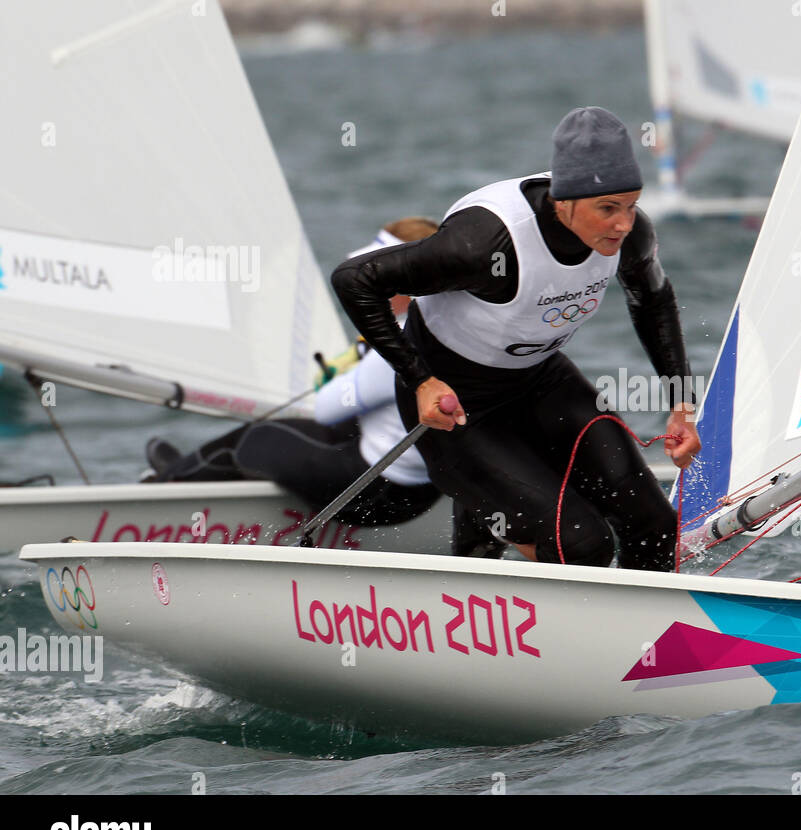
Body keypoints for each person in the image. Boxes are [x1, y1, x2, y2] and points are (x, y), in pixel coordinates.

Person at [330, 106, 701, 571]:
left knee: (654, 524)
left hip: (539, 384)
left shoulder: (631, 233)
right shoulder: (485, 244)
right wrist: (421, 380)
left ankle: (653, 636)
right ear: (563, 202)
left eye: (631, 204)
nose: (624, 224)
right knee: (582, 544)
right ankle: (536, 607)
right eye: (608, 209)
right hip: (458, 406)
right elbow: (354, 279)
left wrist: (681, 406)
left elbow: (654, 302)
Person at [144, 218, 496, 544]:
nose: (372, 284)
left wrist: (348, 374)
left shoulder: (406, 339)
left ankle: (167, 486)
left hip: (379, 495)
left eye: (381, 275)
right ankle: (179, 473)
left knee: (259, 436)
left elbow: (327, 409)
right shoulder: (460, 329)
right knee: (312, 434)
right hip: (423, 493)